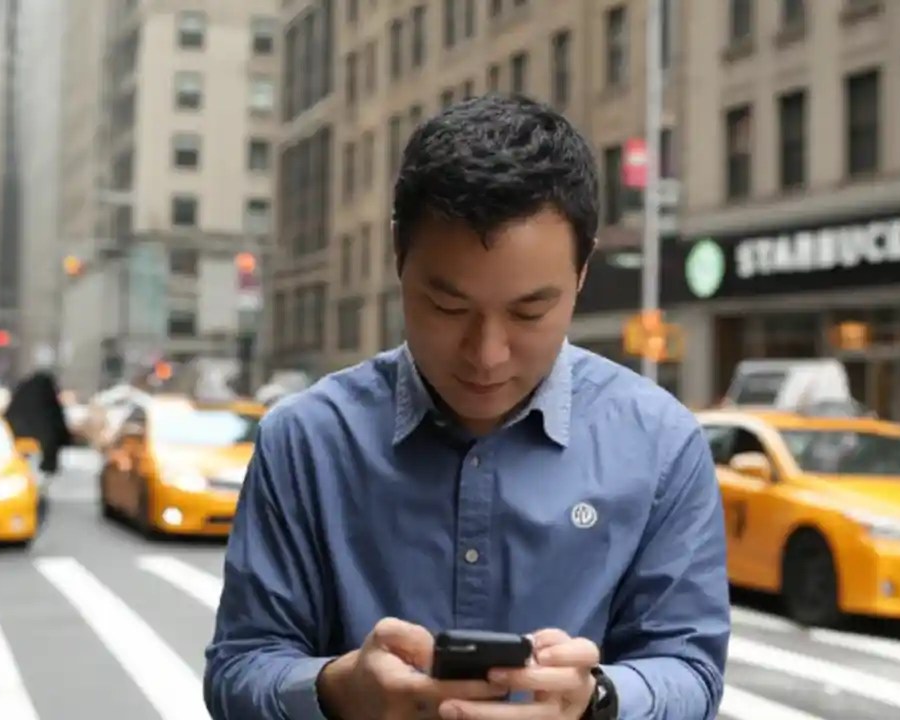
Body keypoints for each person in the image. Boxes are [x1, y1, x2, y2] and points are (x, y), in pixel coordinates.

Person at [204, 95, 730, 720]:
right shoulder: (306, 440)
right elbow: (240, 665)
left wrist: (598, 699)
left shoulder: (661, 442)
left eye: (530, 312)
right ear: (399, 256)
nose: (487, 354)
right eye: (449, 308)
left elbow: (690, 670)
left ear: (582, 271)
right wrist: (338, 687)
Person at [3, 350, 72, 475]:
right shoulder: (47, 400)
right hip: (43, 447)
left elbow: (8, 417)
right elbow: (57, 423)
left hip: (17, 443)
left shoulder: (22, 395)